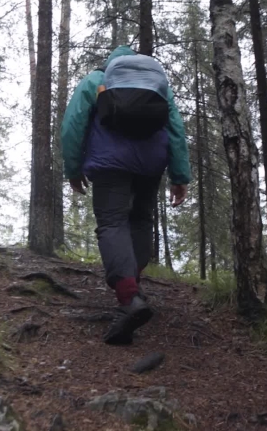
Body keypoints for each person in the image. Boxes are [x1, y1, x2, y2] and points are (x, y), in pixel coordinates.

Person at [60, 45, 191, 345]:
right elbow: (176, 128)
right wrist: (180, 175)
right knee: (141, 221)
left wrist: (73, 168)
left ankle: (129, 298)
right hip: (151, 164)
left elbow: (73, 123)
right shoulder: (158, 84)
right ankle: (134, 286)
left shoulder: (98, 79)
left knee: (112, 222)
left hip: (110, 163)